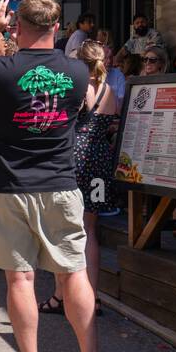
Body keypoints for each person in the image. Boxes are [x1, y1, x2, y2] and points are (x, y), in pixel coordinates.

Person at [0, 0, 117, 352]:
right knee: (74, 272)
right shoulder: (79, 73)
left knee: (20, 280)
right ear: (58, 27)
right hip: (60, 186)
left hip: (7, 187)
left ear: (17, 26)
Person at [44, 41, 119, 313]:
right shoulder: (110, 91)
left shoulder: (78, 88)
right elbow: (112, 125)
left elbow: (60, 124)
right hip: (100, 161)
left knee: (64, 229)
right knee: (89, 231)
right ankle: (93, 296)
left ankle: (61, 295)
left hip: (74, 159)